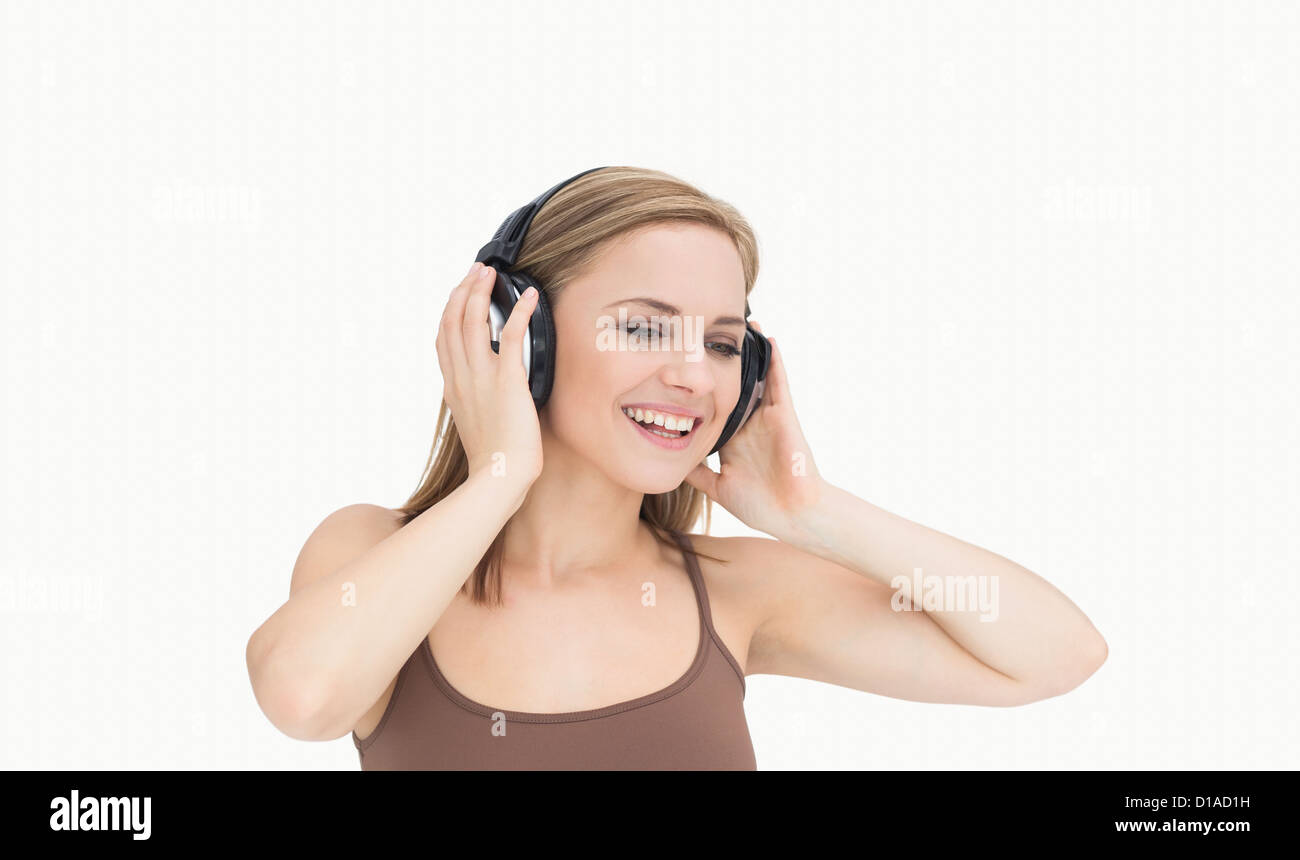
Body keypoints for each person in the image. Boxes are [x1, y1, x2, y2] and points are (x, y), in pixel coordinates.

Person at [245, 166, 1108, 770]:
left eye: (724, 344)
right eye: (645, 326)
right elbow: (303, 699)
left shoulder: (733, 591)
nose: (696, 375)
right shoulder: (370, 554)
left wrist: (814, 512)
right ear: (523, 339)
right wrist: (500, 473)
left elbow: (1055, 654)